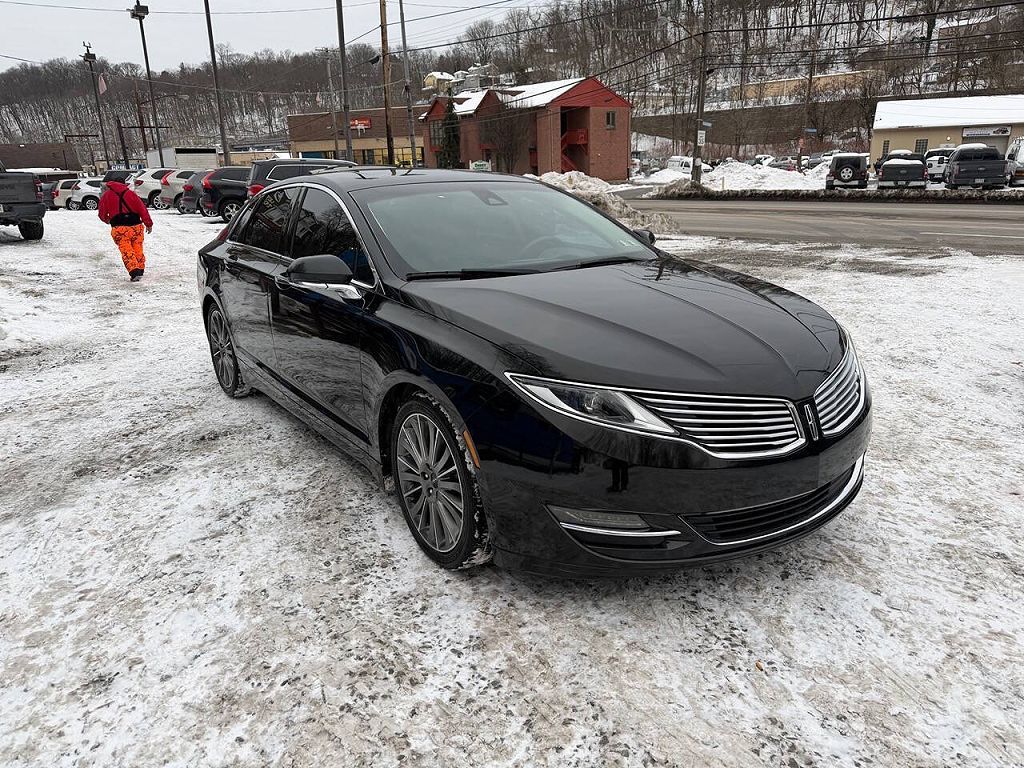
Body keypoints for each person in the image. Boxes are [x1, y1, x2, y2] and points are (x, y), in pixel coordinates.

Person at [98, 172, 153, 282]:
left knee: (126, 249)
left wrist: (107, 220)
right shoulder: (131, 194)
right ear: (124, 184)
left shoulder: (106, 196)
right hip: (136, 226)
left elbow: (102, 213)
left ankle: (134, 271)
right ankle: (140, 268)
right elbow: (142, 209)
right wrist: (148, 224)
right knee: (138, 247)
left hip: (119, 228)